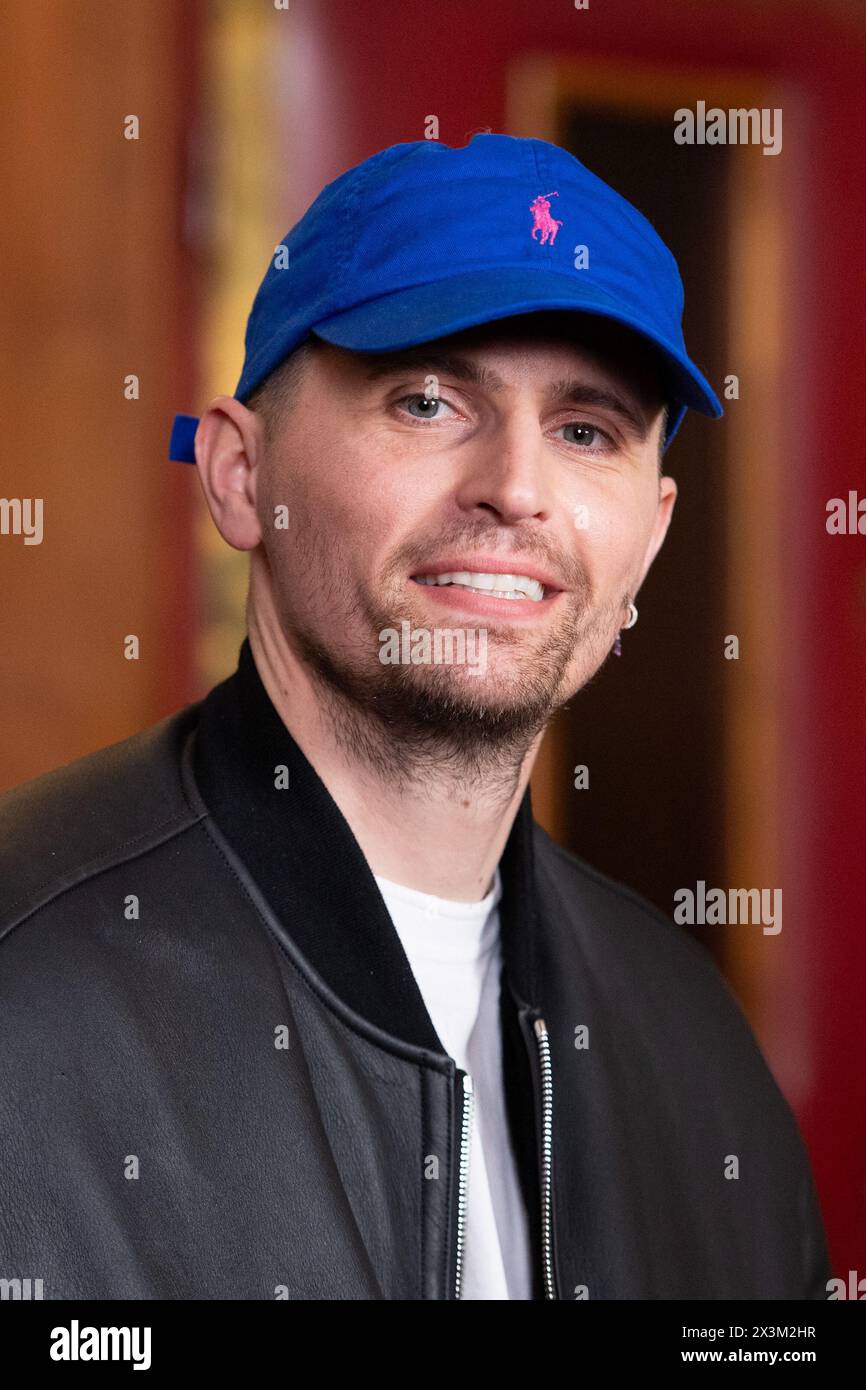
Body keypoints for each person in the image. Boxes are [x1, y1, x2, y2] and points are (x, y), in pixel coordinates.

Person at [0, 133, 831, 1300]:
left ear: (647, 535)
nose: (517, 486)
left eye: (585, 430)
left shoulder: (695, 1055)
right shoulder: (24, 991)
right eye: (430, 399)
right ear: (242, 476)